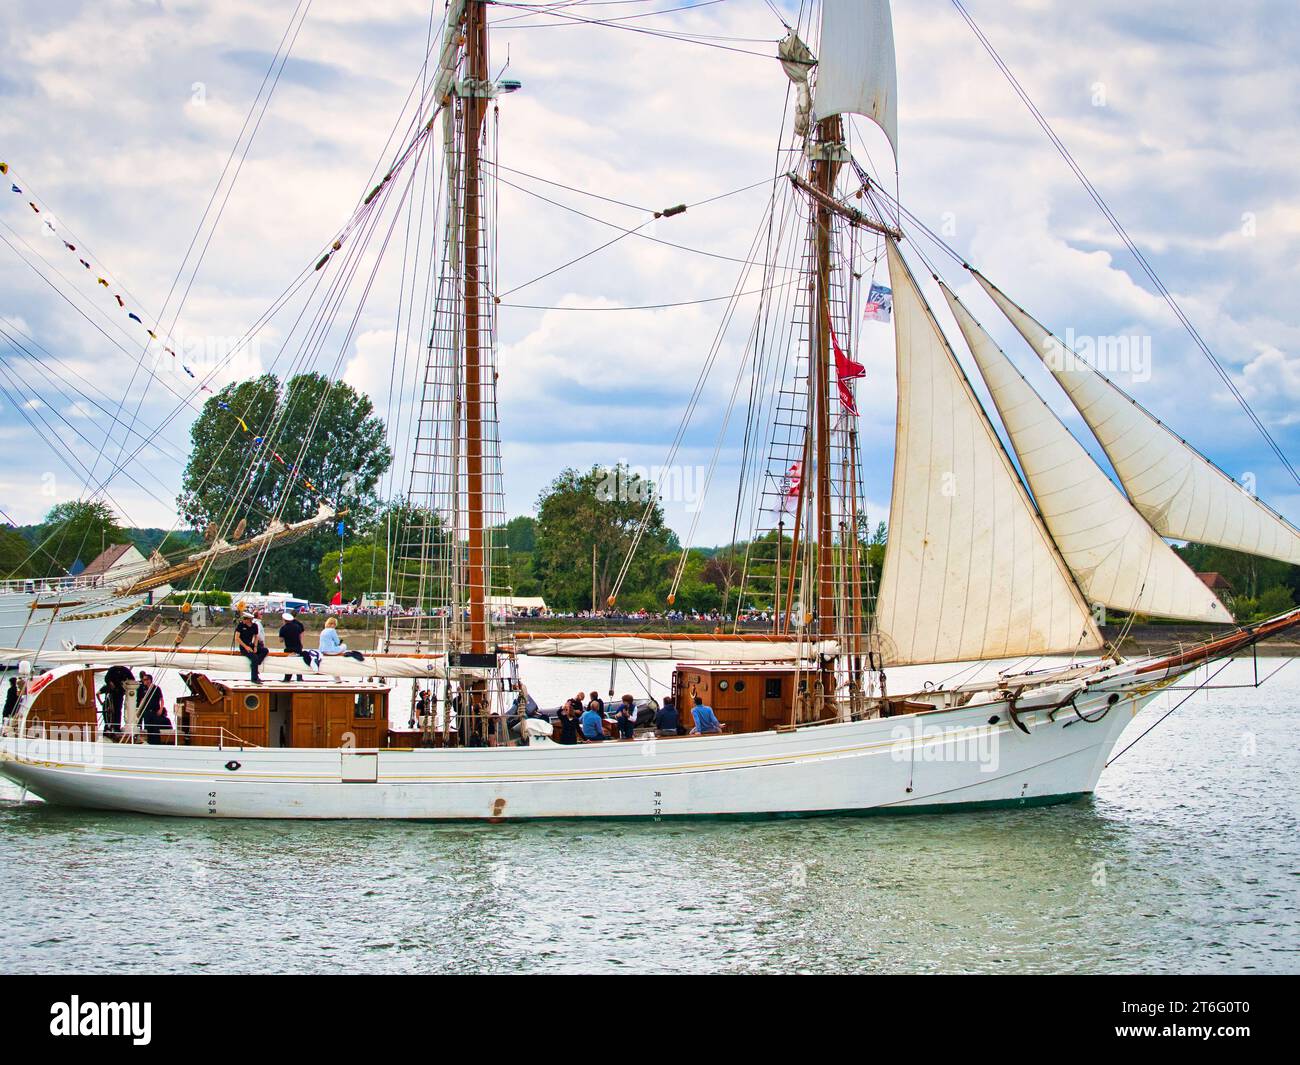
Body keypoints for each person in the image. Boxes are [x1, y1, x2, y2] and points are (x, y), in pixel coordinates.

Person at [99, 664, 133, 737]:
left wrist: (126, 684)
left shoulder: (125, 670)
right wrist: (110, 683)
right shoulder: (112, 669)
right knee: (110, 711)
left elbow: (132, 679)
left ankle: (116, 727)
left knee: (118, 710)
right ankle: (108, 727)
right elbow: (106, 679)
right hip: (111, 693)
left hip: (120, 693)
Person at [137, 672, 171, 744]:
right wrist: (139, 710)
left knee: (155, 728)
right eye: (143, 680)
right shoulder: (143, 689)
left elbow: (161, 699)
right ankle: (149, 742)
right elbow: (142, 699)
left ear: (149, 680)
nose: (143, 681)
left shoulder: (156, 688)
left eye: (145, 680)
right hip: (146, 711)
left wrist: (161, 709)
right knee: (148, 727)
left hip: (155, 711)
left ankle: (156, 742)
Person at [235, 612, 268, 682]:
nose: (243, 620)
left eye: (245, 619)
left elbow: (256, 636)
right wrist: (246, 647)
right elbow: (237, 638)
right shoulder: (241, 625)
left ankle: (255, 664)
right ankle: (254, 678)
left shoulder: (254, 626)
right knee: (254, 658)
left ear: (249, 620)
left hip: (251, 645)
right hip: (243, 647)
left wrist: (255, 646)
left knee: (265, 650)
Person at [278, 611, 306, 682]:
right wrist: (301, 644)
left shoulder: (283, 628)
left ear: (284, 620)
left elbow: (281, 640)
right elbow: (301, 635)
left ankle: (287, 678)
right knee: (298, 663)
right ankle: (299, 678)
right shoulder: (298, 626)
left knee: (288, 664)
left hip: (289, 648)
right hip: (298, 647)